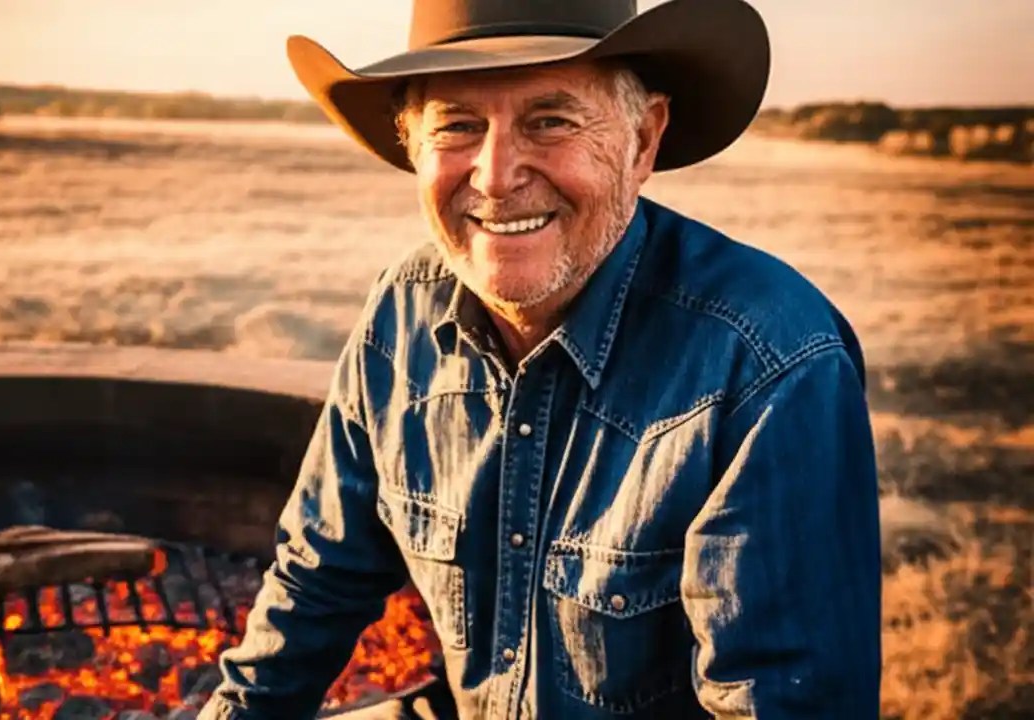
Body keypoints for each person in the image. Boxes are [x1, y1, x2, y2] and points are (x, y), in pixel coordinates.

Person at [199, 0, 882, 717]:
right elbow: (317, 580)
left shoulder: (764, 362)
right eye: (458, 125)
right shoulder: (401, 311)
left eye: (549, 121)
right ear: (412, 147)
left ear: (643, 140)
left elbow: (774, 704)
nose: (495, 176)